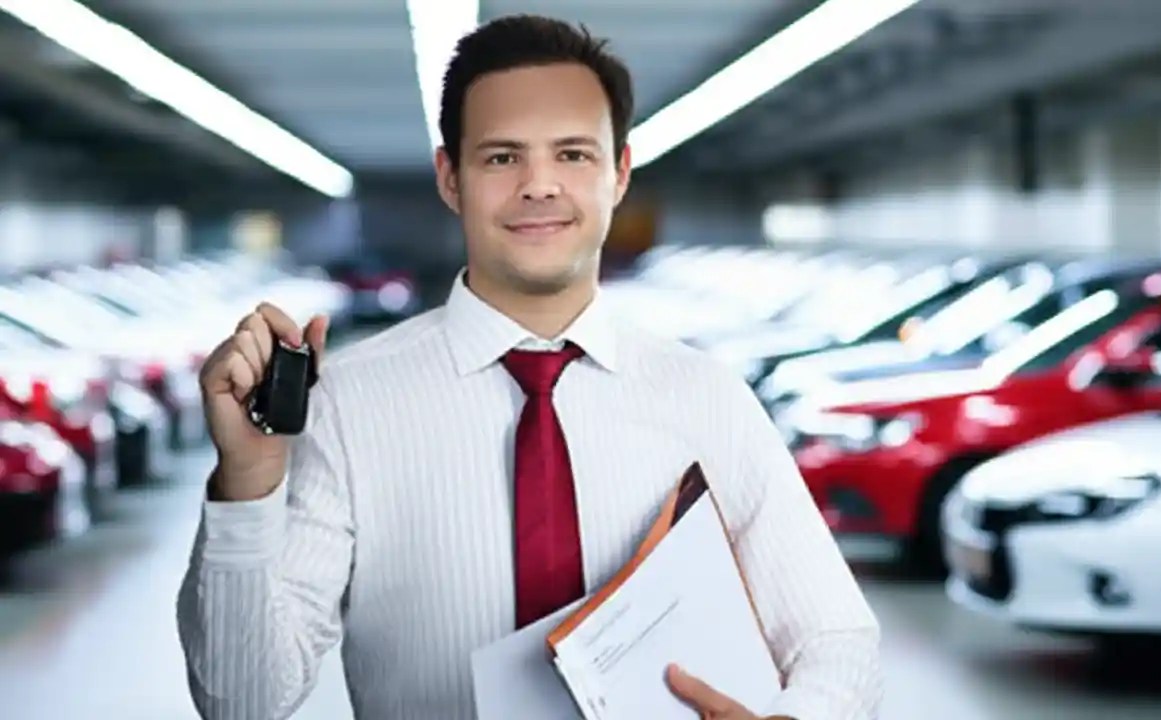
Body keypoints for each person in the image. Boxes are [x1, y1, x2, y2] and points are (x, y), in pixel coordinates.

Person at [177, 14, 881, 720]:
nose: (539, 185)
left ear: (619, 173)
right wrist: (249, 483)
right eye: (502, 157)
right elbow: (242, 702)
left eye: (573, 154)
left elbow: (836, 637)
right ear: (450, 178)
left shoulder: (709, 399)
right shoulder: (351, 405)